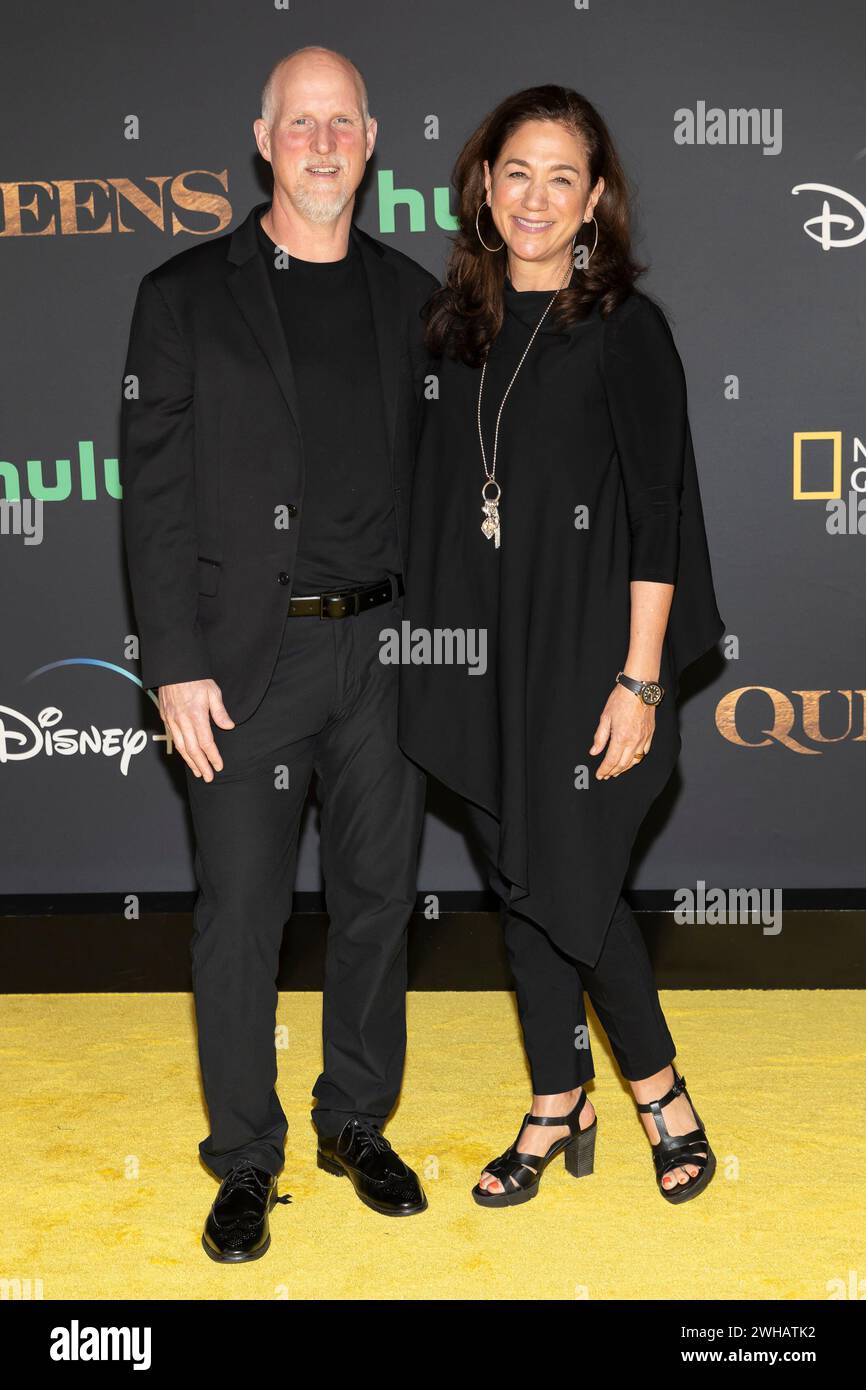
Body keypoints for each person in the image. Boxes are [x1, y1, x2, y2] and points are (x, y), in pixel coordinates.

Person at [120, 46, 439, 1261]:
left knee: (371, 904)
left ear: (370, 138)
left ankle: (354, 1119)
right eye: (297, 122)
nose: (319, 143)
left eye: (339, 123)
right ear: (263, 138)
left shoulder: (416, 296)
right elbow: (150, 500)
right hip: (247, 664)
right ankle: (244, 1155)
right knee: (243, 916)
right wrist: (172, 661)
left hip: (386, 655)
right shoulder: (183, 295)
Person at [398, 84, 726, 1208]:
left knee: (568, 871)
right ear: (483, 189)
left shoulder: (625, 331)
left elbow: (658, 512)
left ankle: (657, 1091)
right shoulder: (452, 327)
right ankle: (554, 1094)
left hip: (593, 662)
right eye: (514, 173)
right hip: (481, 662)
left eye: (559, 177)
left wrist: (641, 678)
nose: (534, 198)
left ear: (593, 201)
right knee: (519, 874)